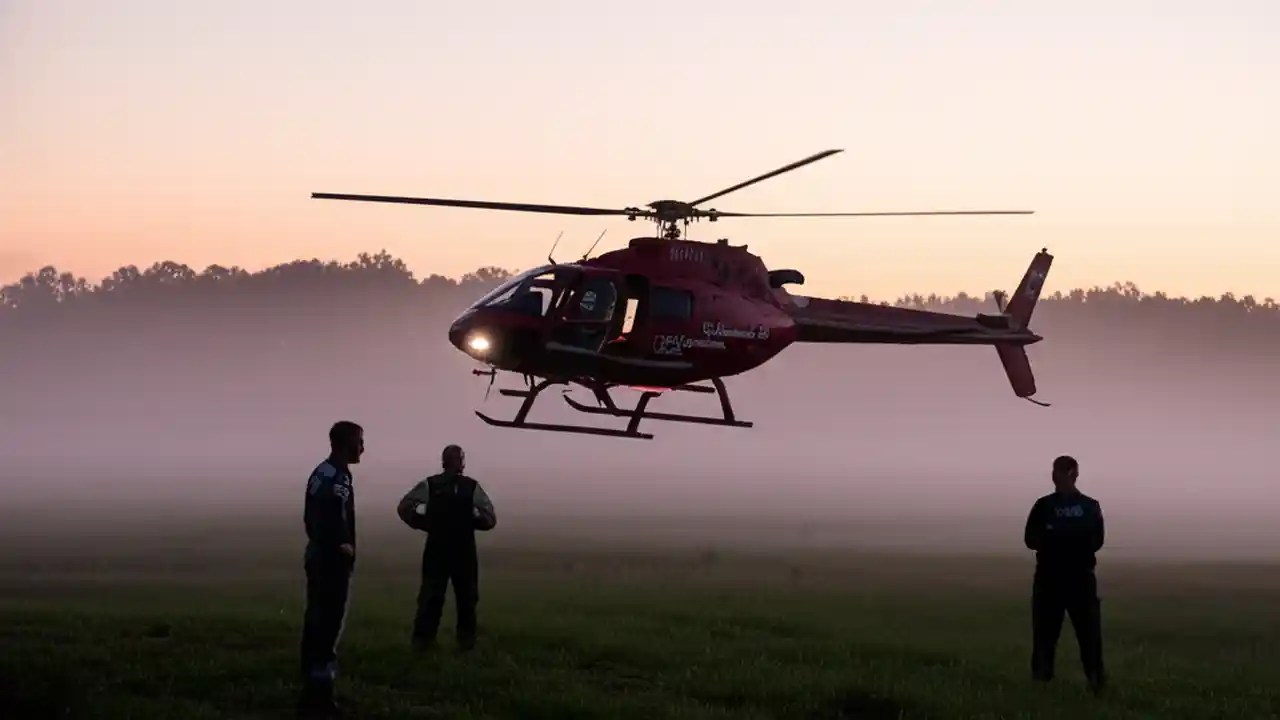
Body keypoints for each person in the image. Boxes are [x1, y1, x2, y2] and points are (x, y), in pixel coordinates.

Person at [396, 444, 497, 651]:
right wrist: (473, 522)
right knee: (466, 598)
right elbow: (489, 518)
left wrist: (422, 522)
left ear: (443, 462)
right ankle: (466, 643)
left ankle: (423, 642)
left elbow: (404, 507)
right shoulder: (471, 487)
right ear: (462, 462)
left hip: (437, 547)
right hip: (464, 549)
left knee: (431, 596)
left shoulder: (430, 484)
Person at [1023, 454, 1106, 693]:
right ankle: (1042, 683)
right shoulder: (1046, 505)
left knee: (1087, 636)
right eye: (1054, 470)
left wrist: (1055, 542)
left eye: (1059, 471)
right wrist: (1071, 543)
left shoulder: (1086, 506)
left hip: (1072, 579)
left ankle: (1095, 682)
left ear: (1073, 474)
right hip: (1056, 580)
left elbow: (1097, 540)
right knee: (1046, 637)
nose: (1055, 475)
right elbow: (1030, 539)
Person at [298, 420, 363, 717]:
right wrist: (342, 544)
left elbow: (310, 516)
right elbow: (329, 511)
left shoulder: (323, 471)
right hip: (330, 562)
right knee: (327, 628)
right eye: (359, 441)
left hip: (317, 556)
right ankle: (320, 701)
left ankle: (311, 691)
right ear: (346, 442)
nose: (363, 447)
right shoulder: (336, 476)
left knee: (315, 624)